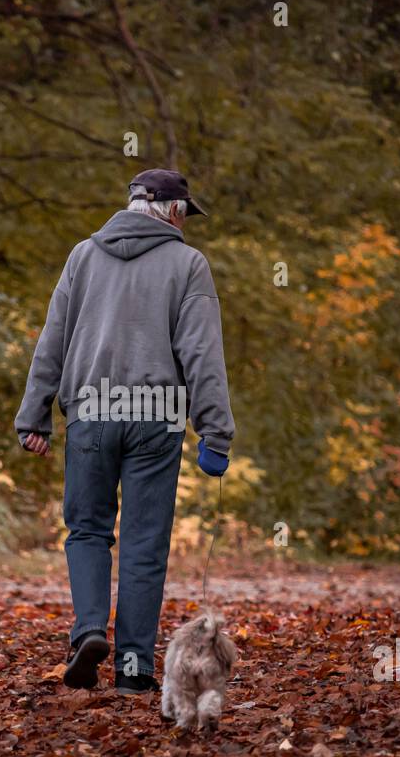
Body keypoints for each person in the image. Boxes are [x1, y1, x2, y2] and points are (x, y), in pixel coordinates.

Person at [15, 168, 235, 693]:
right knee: (144, 543)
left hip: (91, 411)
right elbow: (201, 353)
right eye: (186, 213)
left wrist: (34, 415)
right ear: (174, 211)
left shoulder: (82, 256)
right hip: (156, 419)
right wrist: (215, 432)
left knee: (88, 530)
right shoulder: (189, 264)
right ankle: (134, 665)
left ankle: (89, 630)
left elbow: (54, 339)